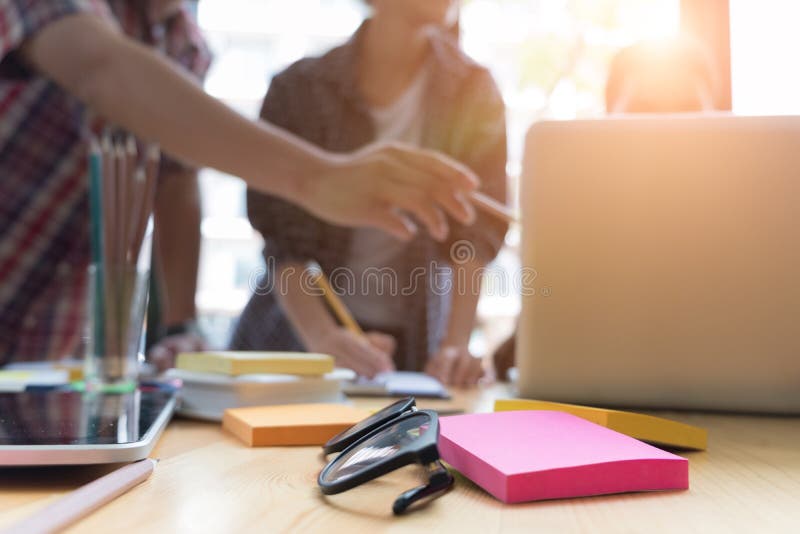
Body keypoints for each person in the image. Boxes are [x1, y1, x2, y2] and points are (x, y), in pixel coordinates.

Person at [0, 0, 479, 367]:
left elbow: (176, 182)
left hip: (51, 338)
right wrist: (321, 178)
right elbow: (101, 67)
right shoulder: (301, 85)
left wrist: (181, 325)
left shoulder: (186, 46)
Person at [231, 0, 509, 387]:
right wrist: (322, 336)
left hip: (411, 345)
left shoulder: (471, 90)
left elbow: (475, 233)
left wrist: (455, 346)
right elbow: (283, 238)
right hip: (295, 336)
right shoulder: (299, 89)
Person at [492, 35, 718, 381]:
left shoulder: (756, 216)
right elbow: (529, 354)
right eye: (644, 110)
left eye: (688, 109)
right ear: (609, 115)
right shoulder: (574, 214)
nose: (668, 127)